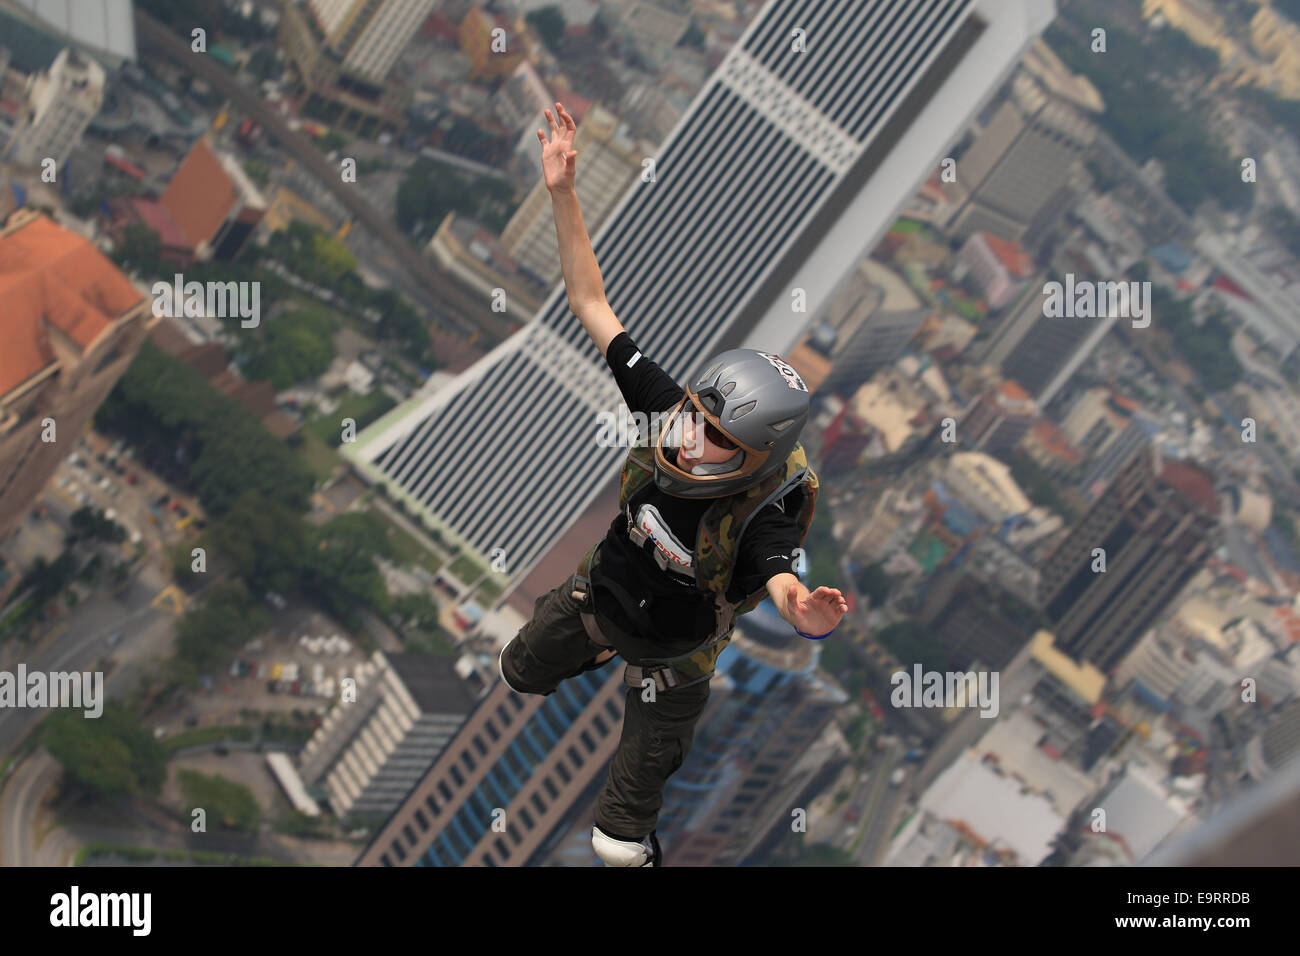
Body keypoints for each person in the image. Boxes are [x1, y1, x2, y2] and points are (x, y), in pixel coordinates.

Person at [499, 103, 849, 866]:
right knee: (518, 672)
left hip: (676, 655)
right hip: (606, 595)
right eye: (694, 418)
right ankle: (592, 649)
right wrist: (563, 192)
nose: (691, 442)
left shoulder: (762, 509)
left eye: (719, 440)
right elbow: (593, 305)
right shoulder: (669, 414)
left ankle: (640, 847)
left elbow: (780, 574)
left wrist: (807, 614)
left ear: (758, 456)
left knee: (616, 843)